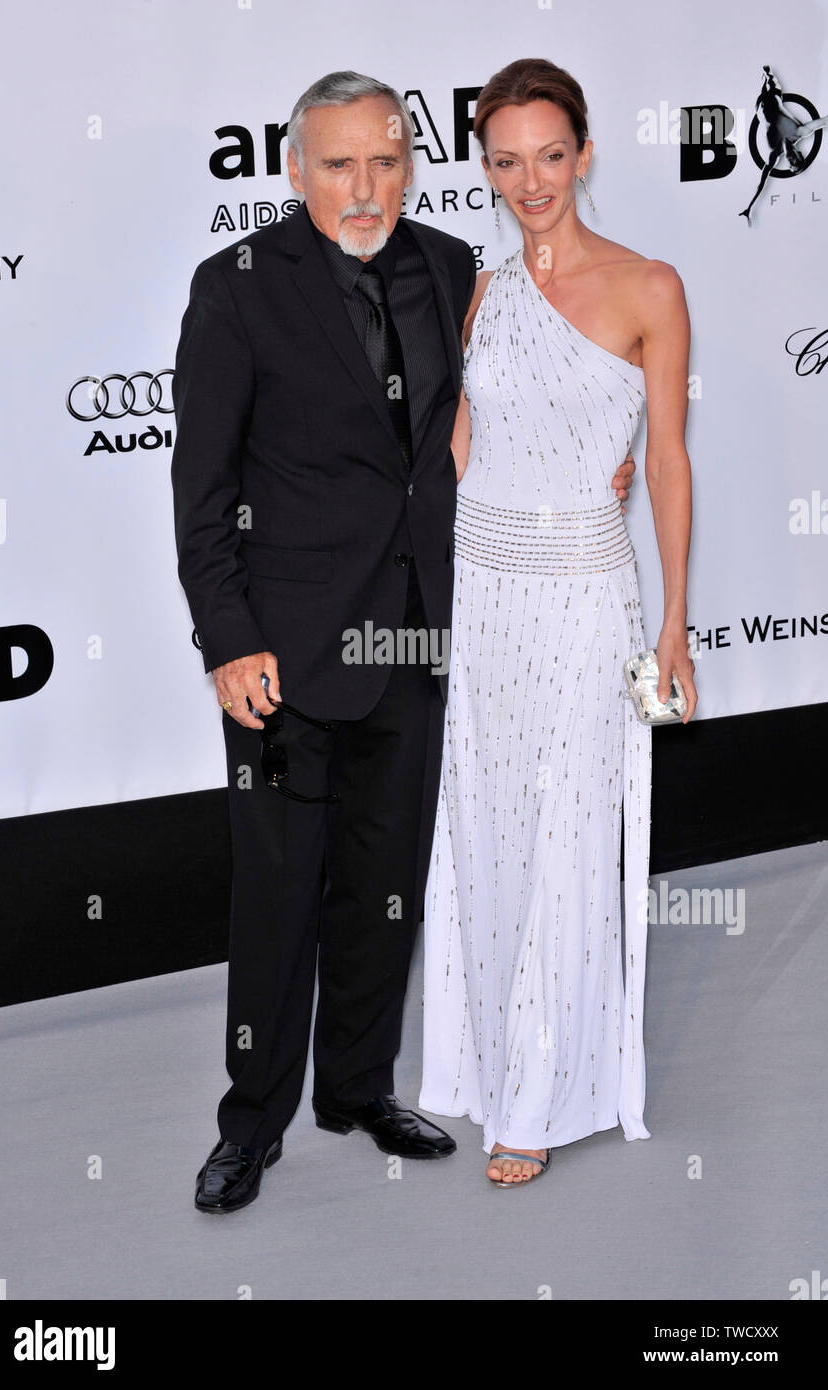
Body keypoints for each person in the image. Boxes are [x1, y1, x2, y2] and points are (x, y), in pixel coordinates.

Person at [170, 69, 636, 1214]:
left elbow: (507, 415)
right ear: (295, 172)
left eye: (385, 161)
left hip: (430, 637)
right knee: (278, 895)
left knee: (384, 884)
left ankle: (359, 1087)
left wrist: (599, 470)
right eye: (339, 166)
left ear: (410, 164)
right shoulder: (233, 289)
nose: (365, 186)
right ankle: (253, 1121)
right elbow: (201, 483)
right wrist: (228, 638)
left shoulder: (451, 268)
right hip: (281, 654)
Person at [419, 58, 697, 1187]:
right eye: (506, 161)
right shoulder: (483, 288)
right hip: (484, 590)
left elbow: (669, 461)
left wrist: (675, 626)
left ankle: (540, 1091)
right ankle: (482, 1068)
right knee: (486, 828)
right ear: (485, 169)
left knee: (573, 830)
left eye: (549, 155)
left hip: (588, 594)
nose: (530, 180)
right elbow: (459, 445)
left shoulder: (651, 288)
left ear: (583, 154)